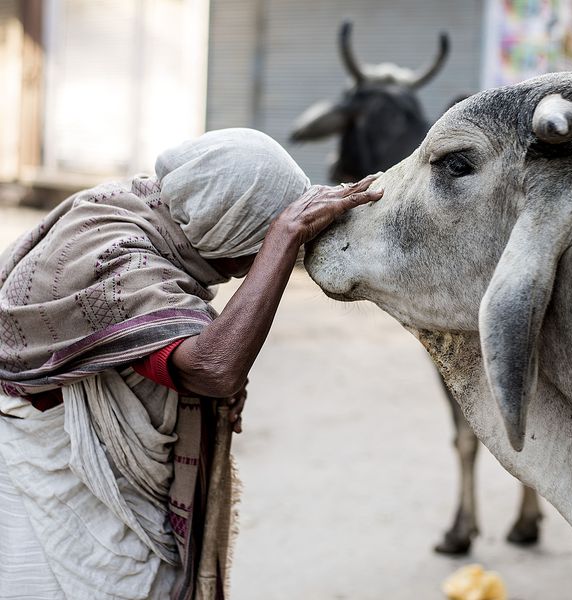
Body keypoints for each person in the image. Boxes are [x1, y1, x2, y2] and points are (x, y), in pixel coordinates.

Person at [0, 128, 382, 599]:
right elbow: (212, 369)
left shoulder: (145, 206)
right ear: (230, 230)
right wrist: (283, 239)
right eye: (262, 238)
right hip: (57, 482)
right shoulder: (115, 261)